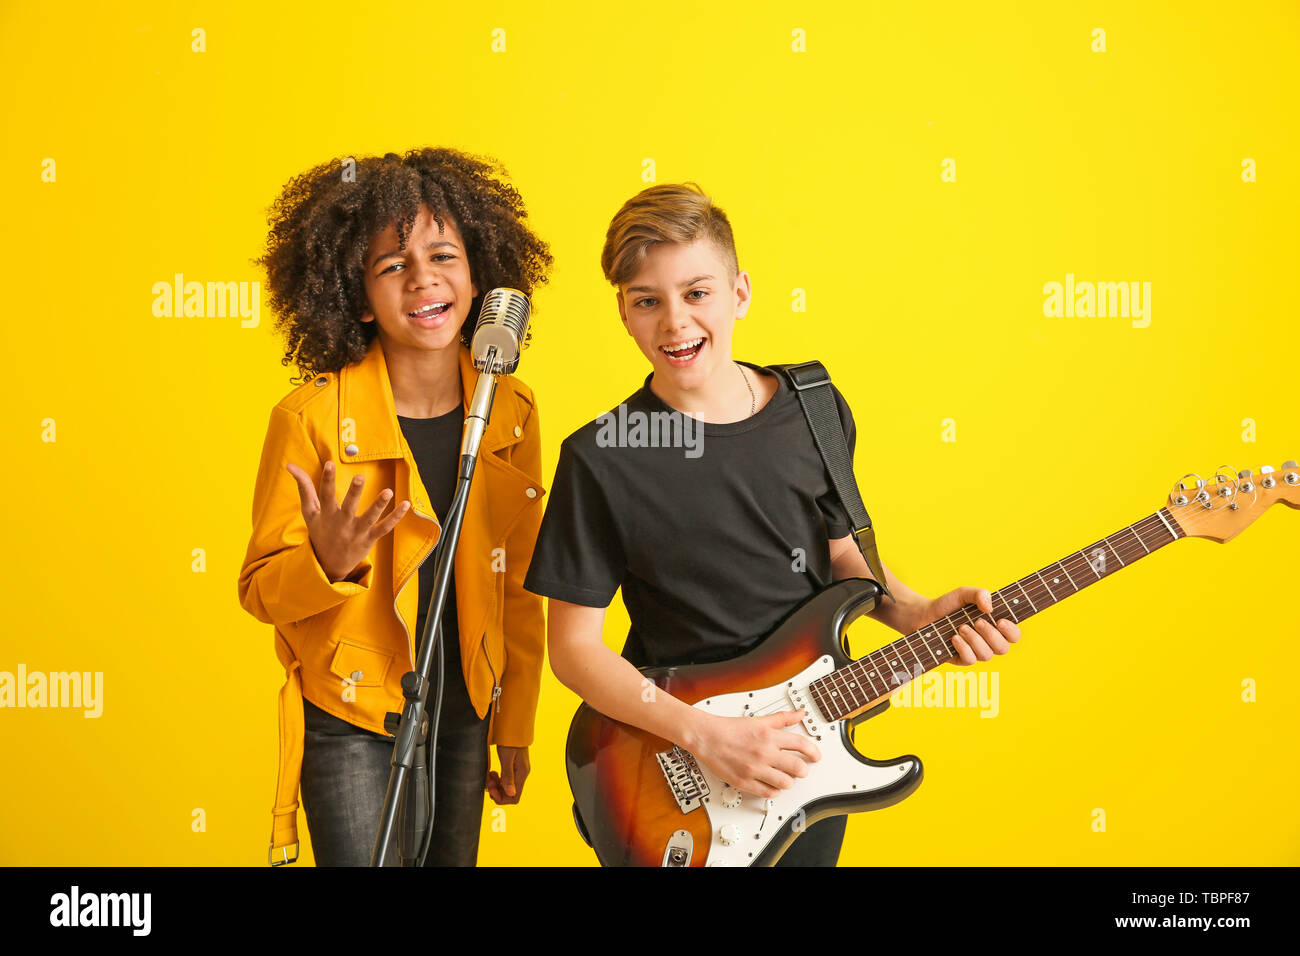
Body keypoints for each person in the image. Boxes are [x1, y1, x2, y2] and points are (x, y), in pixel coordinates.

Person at [523, 182, 1021, 866]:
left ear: (741, 294)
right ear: (624, 315)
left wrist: (916, 612)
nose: (675, 322)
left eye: (697, 293)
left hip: (809, 750)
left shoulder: (814, 408)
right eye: (648, 301)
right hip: (677, 767)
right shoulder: (602, 455)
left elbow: (841, 556)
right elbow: (575, 651)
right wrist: (704, 735)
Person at [238, 147, 553, 866]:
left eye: (444, 254)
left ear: (479, 276)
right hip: (351, 712)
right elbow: (259, 590)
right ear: (356, 297)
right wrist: (327, 560)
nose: (423, 279)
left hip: (466, 710)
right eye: (392, 266)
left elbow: (520, 583)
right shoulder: (309, 419)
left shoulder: (511, 411)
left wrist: (516, 720)